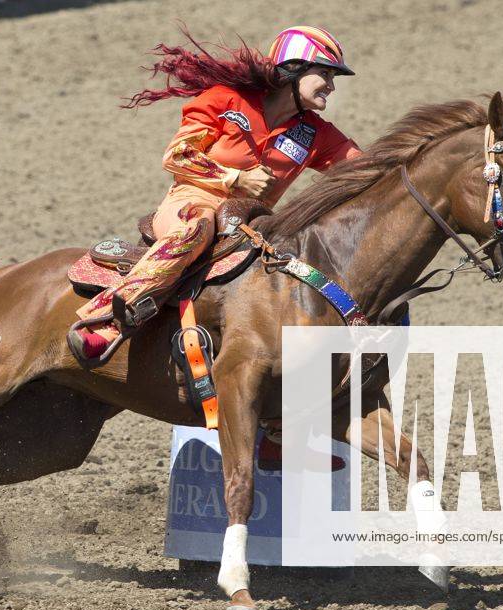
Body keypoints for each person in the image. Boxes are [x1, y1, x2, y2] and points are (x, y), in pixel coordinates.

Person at [67, 26, 363, 366]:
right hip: (191, 204)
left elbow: (368, 167)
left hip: (252, 226)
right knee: (197, 227)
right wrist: (235, 177)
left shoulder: (316, 133)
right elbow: (177, 156)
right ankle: (104, 321)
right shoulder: (225, 98)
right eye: (324, 73)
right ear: (293, 68)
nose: (331, 84)